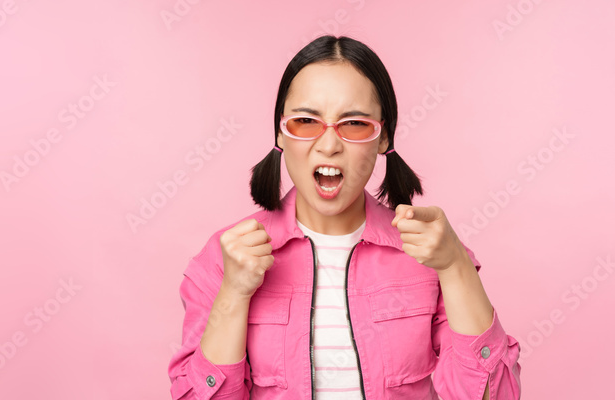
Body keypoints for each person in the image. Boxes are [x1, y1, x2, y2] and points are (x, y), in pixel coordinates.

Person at [167, 35, 521, 399]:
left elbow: (494, 395)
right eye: (306, 121)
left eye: (354, 124)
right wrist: (234, 293)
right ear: (280, 133)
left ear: (383, 137)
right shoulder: (224, 259)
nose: (329, 144)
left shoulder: (433, 254)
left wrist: (455, 266)